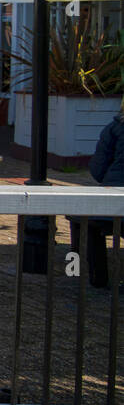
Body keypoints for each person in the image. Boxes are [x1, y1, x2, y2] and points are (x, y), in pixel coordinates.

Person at [83, 106, 124, 289]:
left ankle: (97, 276)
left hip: (113, 202)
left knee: (98, 221)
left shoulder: (113, 128)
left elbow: (98, 170)